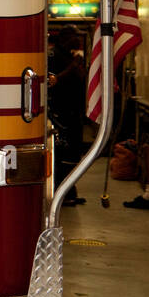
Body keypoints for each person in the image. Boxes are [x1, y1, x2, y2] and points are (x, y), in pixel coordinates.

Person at [47, 26, 87, 206]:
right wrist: (74, 65)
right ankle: (63, 193)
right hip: (60, 112)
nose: (77, 40)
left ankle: (70, 190)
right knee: (62, 155)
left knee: (73, 154)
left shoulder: (72, 56)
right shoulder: (53, 56)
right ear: (64, 38)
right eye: (74, 36)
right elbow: (52, 81)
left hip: (74, 111)